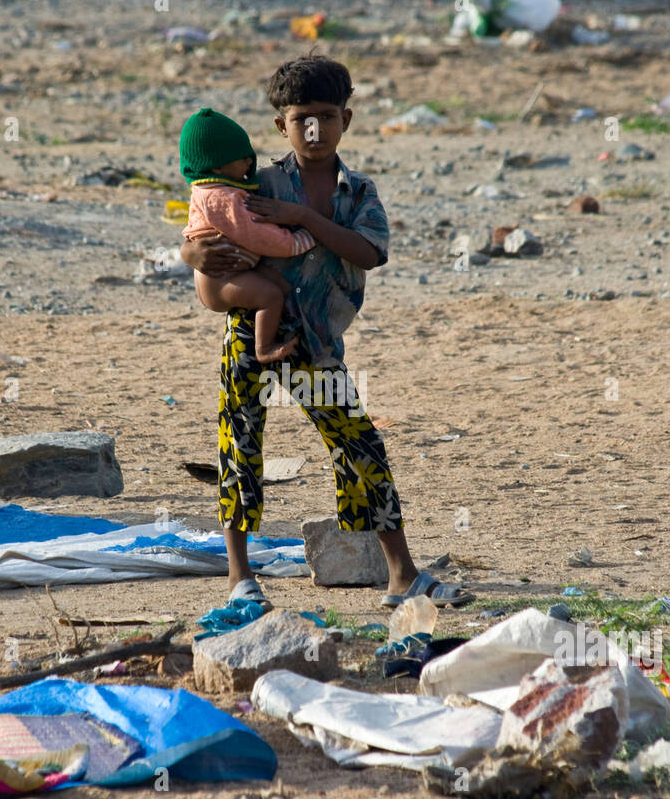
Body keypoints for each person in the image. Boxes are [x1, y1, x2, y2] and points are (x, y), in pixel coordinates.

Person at [180, 54, 474, 611]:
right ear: (280, 126)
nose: (314, 130)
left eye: (326, 116)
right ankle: (241, 579)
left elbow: (370, 252)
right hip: (250, 334)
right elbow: (205, 222)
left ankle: (401, 574)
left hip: (315, 345)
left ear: (347, 119)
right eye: (300, 119)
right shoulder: (257, 183)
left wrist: (308, 220)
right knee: (240, 445)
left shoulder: (358, 193)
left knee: (360, 448)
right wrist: (189, 249)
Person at [178, 106, 315, 363]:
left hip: (224, 276)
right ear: (216, 166)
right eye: (241, 157)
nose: (250, 162)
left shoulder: (213, 190)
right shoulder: (221, 197)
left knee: (277, 289)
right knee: (271, 296)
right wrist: (299, 241)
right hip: (221, 280)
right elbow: (257, 235)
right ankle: (264, 349)